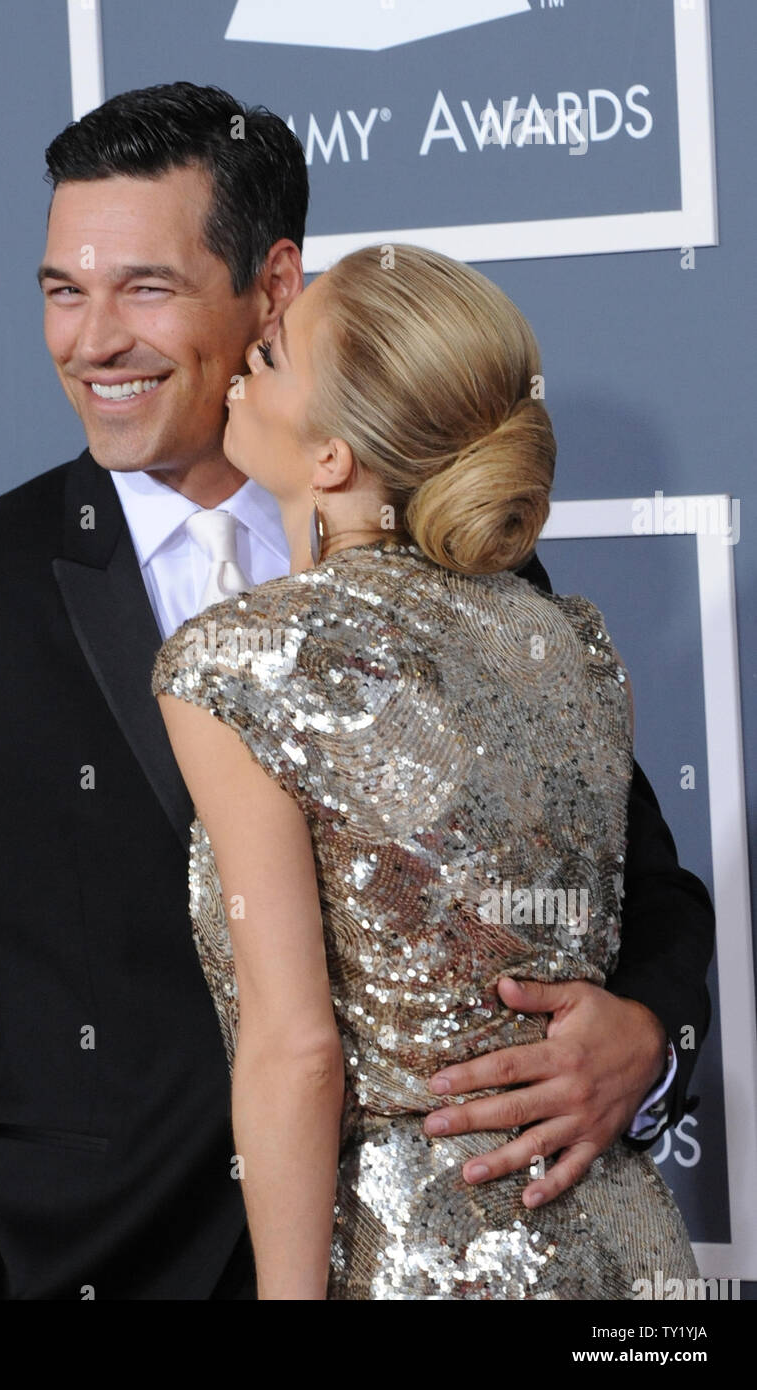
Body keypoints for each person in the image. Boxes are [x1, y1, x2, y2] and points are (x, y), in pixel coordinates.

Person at [0, 82, 713, 1301]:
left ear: (272, 288)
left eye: (145, 287)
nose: (93, 341)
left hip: (450, 1257)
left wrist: (647, 1039)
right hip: (98, 1264)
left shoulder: (465, 571)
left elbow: (637, 882)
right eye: (62, 292)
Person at [151, 243, 702, 1299]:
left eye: (268, 356)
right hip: (627, 1261)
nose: (238, 372)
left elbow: (296, 1050)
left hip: (413, 1259)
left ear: (331, 460)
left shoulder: (235, 662)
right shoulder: (572, 640)